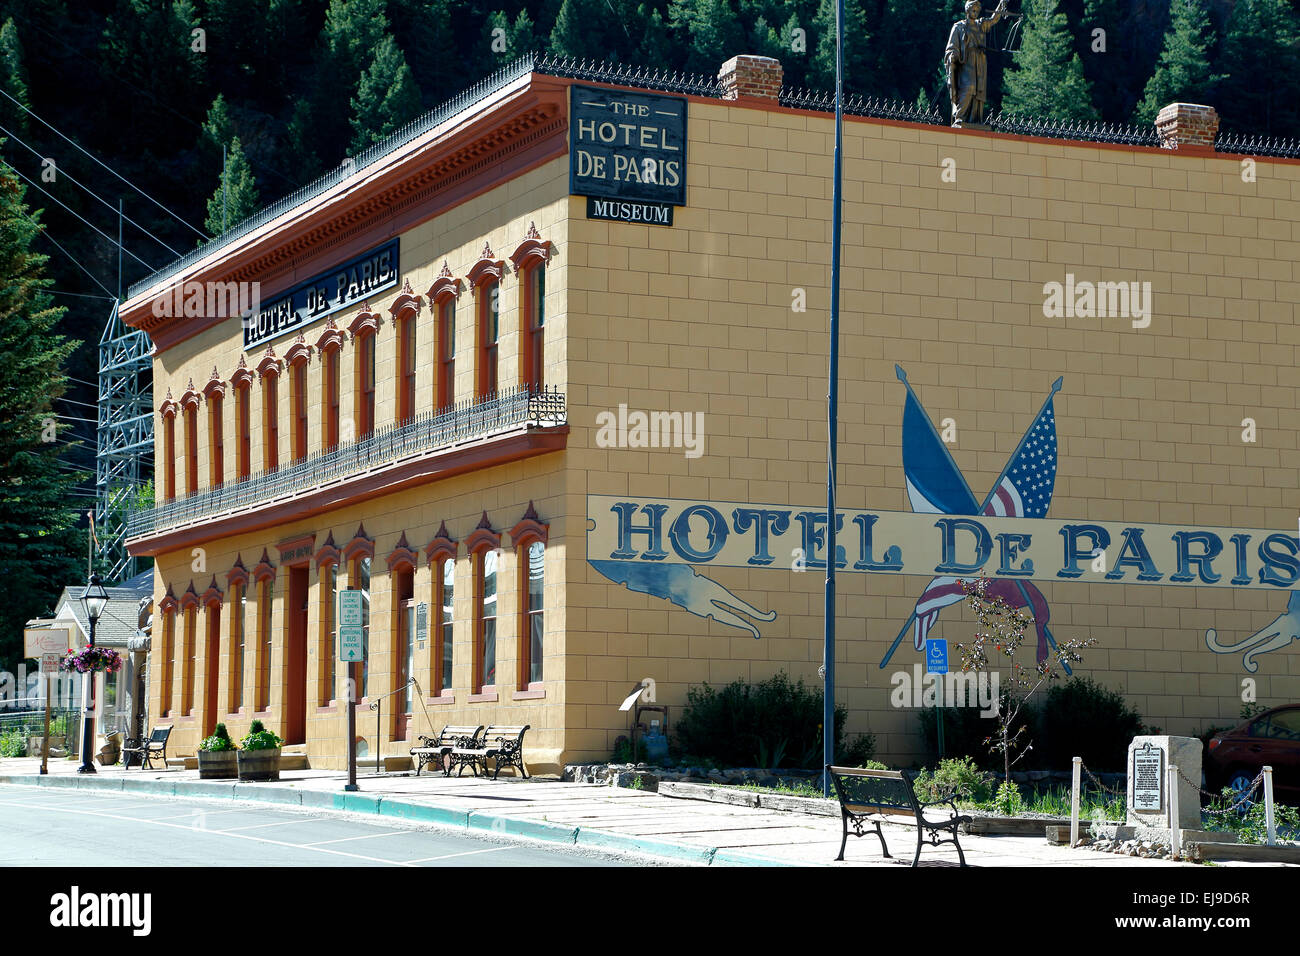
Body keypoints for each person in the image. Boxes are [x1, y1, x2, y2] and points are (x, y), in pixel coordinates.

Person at [945, 0, 1008, 127]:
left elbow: (994, 19)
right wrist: (953, 56)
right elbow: (951, 48)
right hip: (965, 62)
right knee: (969, 87)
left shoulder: (981, 25)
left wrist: (1002, 4)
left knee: (978, 91)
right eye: (973, 10)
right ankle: (960, 117)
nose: (975, 12)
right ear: (967, 10)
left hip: (980, 62)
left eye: (977, 10)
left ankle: (974, 120)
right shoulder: (959, 27)